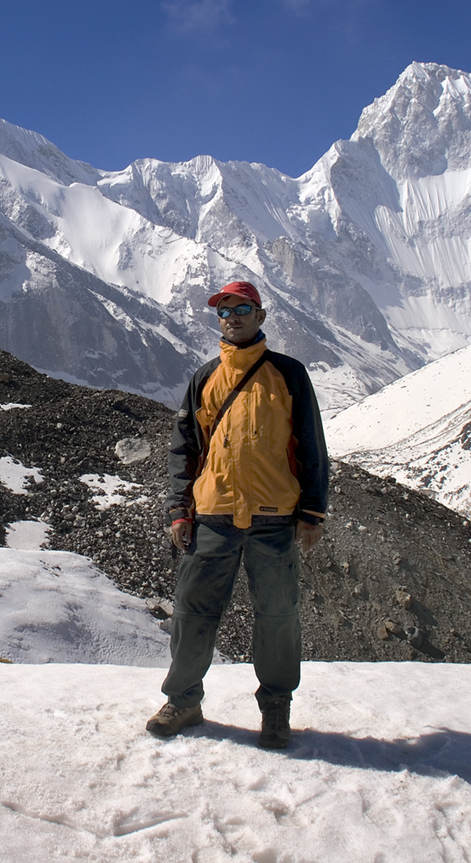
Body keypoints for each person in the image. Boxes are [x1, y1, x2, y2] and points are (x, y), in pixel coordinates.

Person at [148, 280, 330, 749]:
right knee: (192, 611)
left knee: (277, 615)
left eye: (242, 308)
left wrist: (312, 509)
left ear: (261, 315)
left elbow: (312, 445)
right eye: (224, 311)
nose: (233, 317)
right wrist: (178, 508)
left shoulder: (288, 375)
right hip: (213, 514)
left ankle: (275, 708)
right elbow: (183, 449)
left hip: (274, 517)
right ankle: (183, 700)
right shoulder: (205, 377)